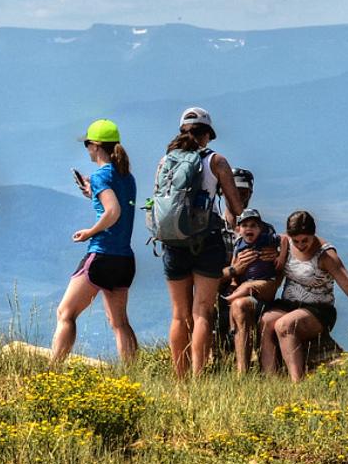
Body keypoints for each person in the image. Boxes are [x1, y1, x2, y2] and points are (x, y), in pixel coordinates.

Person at [154, 107, 249, 378]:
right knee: (202, 312)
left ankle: (179, 378)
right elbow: (237, 207)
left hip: (173, 242)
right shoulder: (215, 161)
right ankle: (198, 377)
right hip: (206, 241)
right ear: (206, 134)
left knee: (178, 314)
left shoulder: (165, 161)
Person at [259, 209, 348, 382]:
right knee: (266, 321)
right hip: (288, 303)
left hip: (318, 309)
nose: (300, 245)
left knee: (285, 325)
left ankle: (296, 383)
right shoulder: (284, 244)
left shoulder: (325, 255)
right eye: (295, 240)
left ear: (313, 234)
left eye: (305, 240)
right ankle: (271, 381)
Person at [52, 119, 139, 365]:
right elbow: (115, 202)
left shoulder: (101, 176)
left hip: (102, 254)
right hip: (124, 259)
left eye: (87, 145)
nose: (87, 149)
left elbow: (113, 211)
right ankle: (132, 373)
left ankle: (53, 370)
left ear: (96, 146)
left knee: (65, 313)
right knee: (119, 323)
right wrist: (93, 194)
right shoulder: (126, 176)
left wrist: (90, 232)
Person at [222, 209, 281, 372]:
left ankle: (229, 299)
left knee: (243, 292)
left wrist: (278, 256)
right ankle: (242, 370)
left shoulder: (266, 240)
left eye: (254, 225)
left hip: (264, 283)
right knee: (238, 302)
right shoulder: (238, 245)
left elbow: (285, 239)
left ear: (260, 228)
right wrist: (233, 277)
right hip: (245, 286)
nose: (249, 229)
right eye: (245, 225)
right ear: (239, 229)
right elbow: (234, 265)